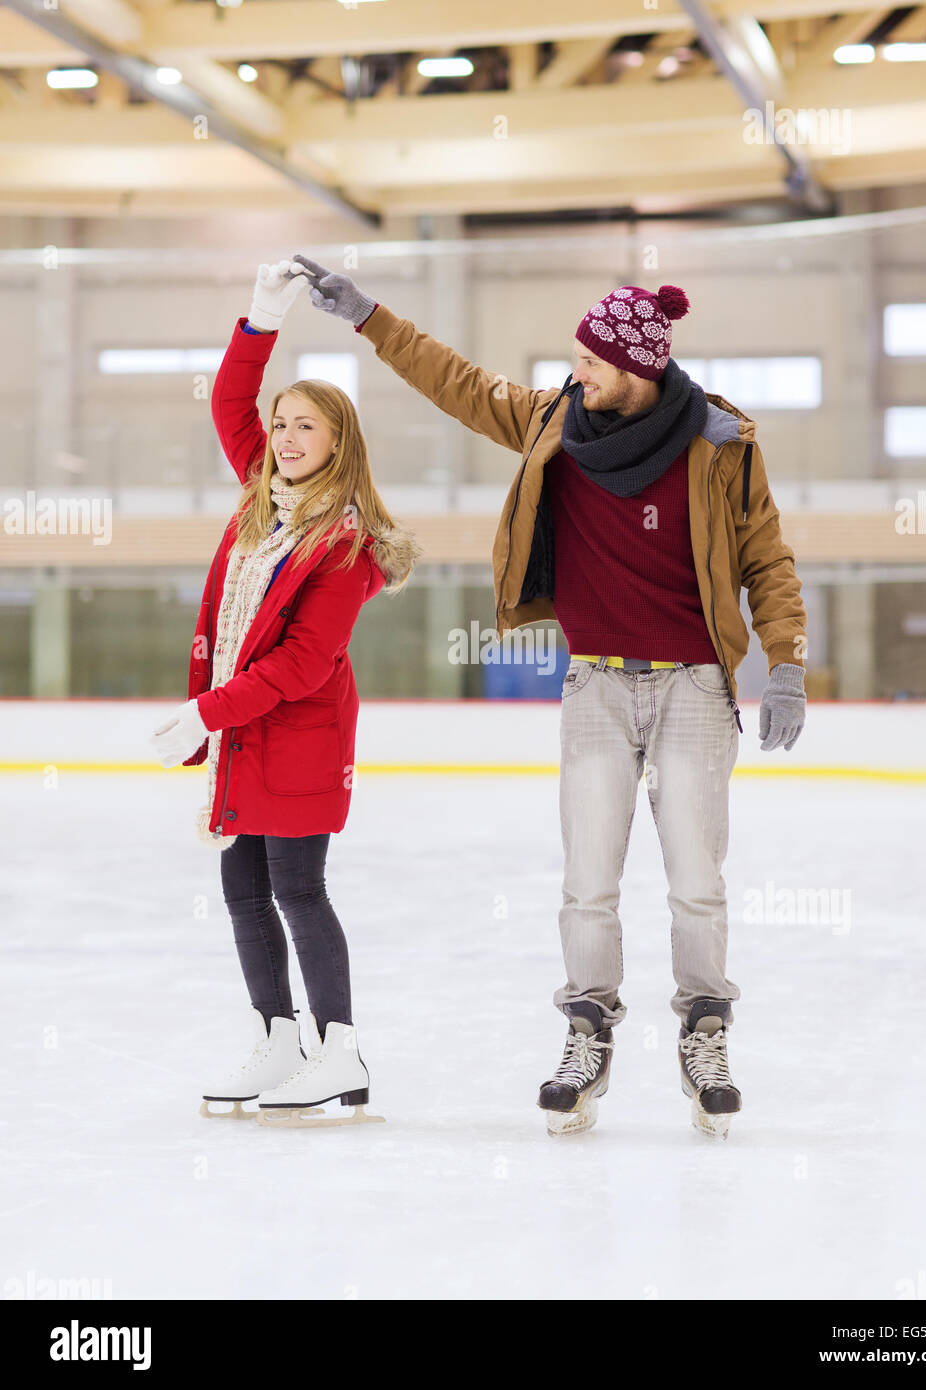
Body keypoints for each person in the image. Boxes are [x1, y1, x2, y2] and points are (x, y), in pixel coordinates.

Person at [293, 256, 807, 1140]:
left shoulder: (719, 444)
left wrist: (787, 661)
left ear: (639, 371)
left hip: (691, 686)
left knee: (696, 883)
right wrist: (369, 316)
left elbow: (767, 558)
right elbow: (455, 382)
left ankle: (705, 1029)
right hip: (595, 686)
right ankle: (587, 1032)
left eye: (594, 363)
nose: (577, 373)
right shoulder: (552, 424)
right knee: (587, 883)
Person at [150, 260, 418, 1127]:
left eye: (307, 425)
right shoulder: (260, 503)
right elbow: (231, 400)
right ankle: (277, 1038)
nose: (287, 436)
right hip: (246, 740)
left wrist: (203, 712)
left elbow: (301, 666)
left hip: (296, 738)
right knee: (242, 887)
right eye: (281, 422)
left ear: (340, 440)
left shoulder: (342, 545)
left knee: (298, 889)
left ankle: (340, 1049)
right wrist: (264, 313)